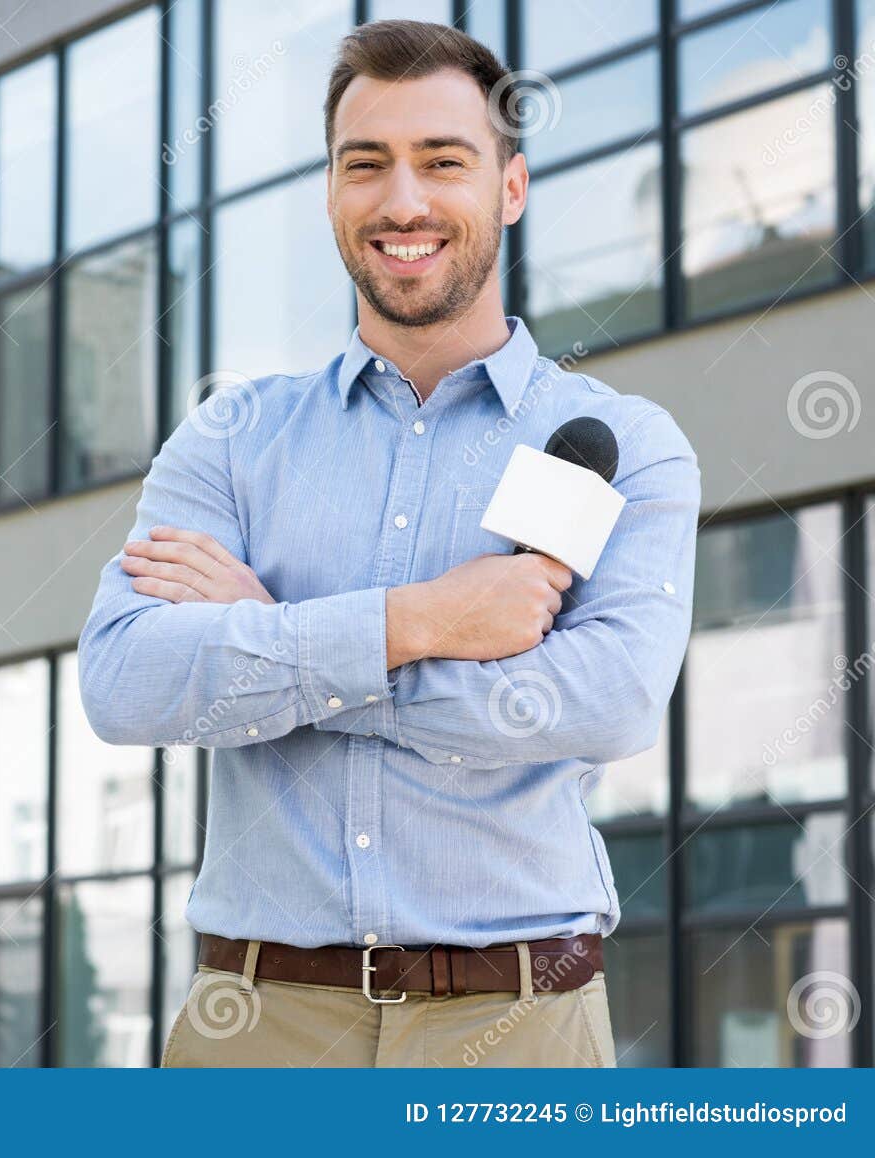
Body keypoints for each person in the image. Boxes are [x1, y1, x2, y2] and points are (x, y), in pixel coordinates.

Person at [76, 19, 699, 1068]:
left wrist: (273, 638)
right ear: (331, 192)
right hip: (255, 1025)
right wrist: (423, 623)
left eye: (442, 161)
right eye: (365, 164)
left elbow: (606, 700)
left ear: (509, 188)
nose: (402, 201)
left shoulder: (622, 444)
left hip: (515, 1027)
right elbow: (125, 685)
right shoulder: (231, 438)